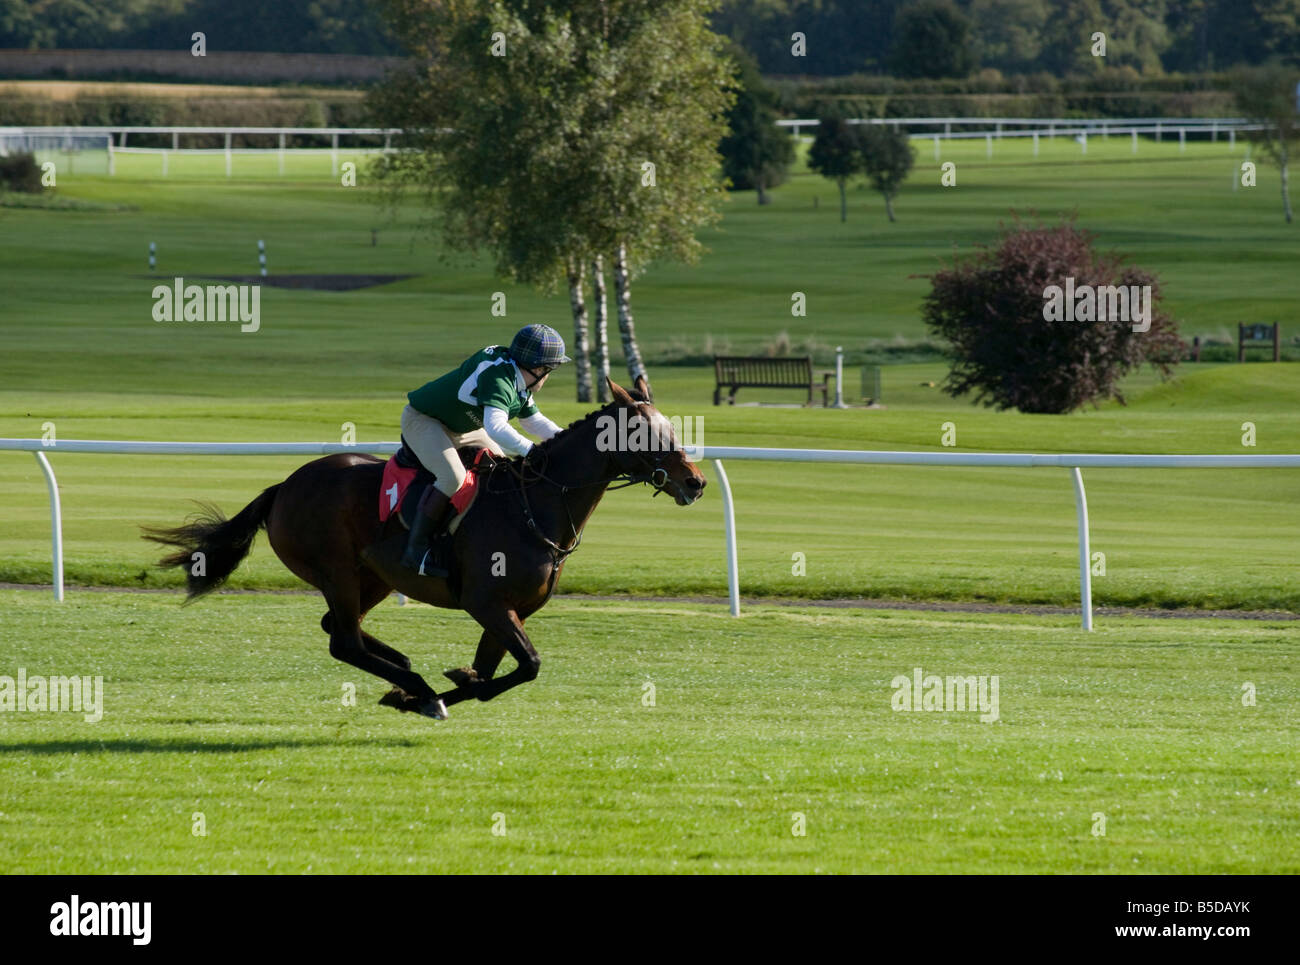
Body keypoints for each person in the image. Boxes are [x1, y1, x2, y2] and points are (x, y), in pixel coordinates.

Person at [399, 324, 571, 576]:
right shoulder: (500, 377)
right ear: (537, 369)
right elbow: (496, 426)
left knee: (503, 472)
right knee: (452, 477)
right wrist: (532, 451)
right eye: (548, 370)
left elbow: (533, 421)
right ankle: (416, 550)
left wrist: (567, 441)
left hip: (463, 426)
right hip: (424, 419)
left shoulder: (517, 376)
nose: (547, 377)